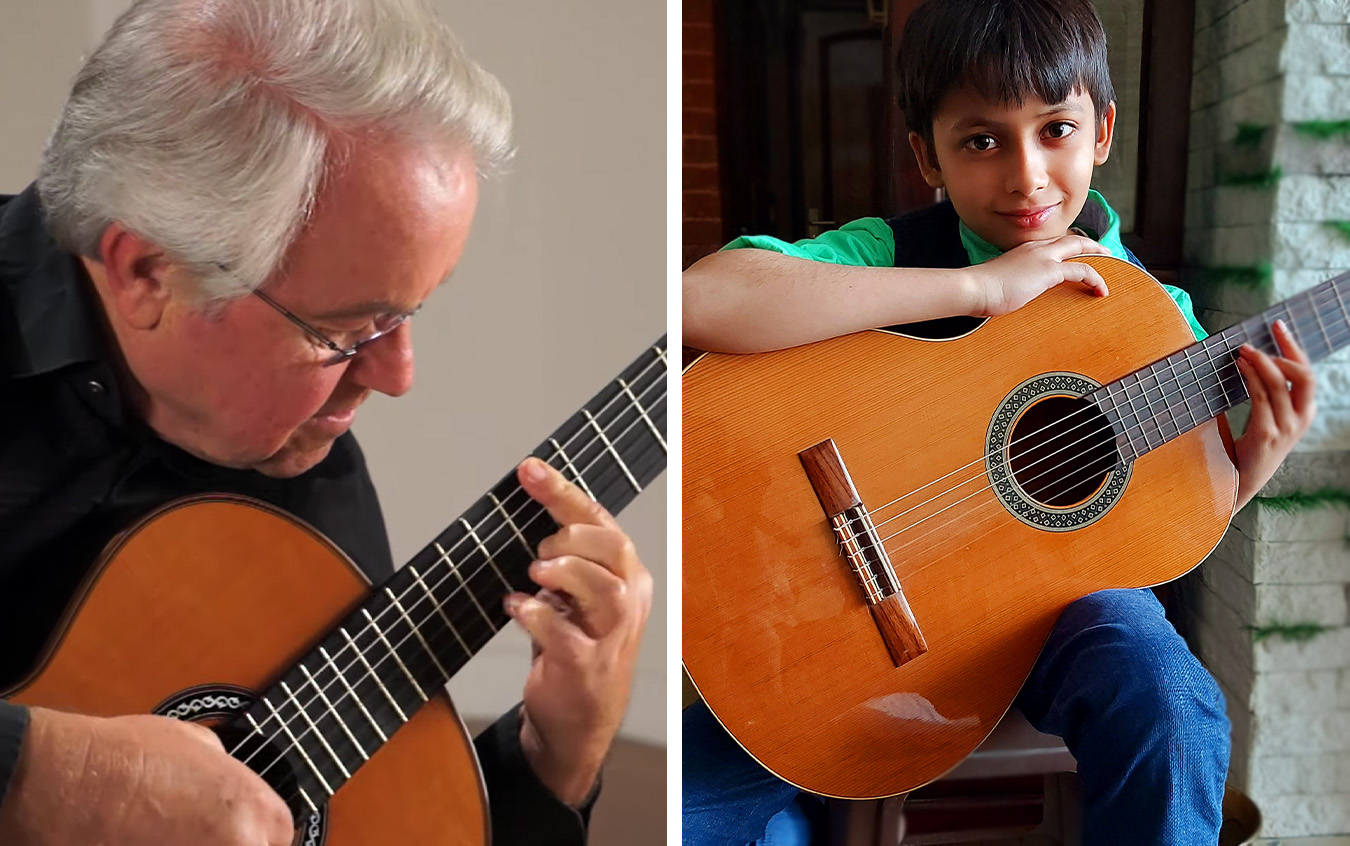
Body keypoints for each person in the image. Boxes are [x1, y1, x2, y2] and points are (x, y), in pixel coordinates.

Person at [0, 1, 653, 844]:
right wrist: (45, 772)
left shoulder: (302, 471)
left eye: (411, 315)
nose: (397, 376)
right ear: (147, 271)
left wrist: (555, 755)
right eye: (347, 332)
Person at [682, 0, 1315, 843]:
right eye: (982, 140)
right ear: (926, 156)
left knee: (1172, 702)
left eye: (1055, 129)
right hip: (831, 638)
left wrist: (1254, 462)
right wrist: (981, 289)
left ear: (1102, 131)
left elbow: (1150, 530)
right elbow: (698, 300)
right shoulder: (892, 253)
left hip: (1067, 625)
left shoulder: (1158, 321)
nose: (1026, 176)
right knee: (683, 812)